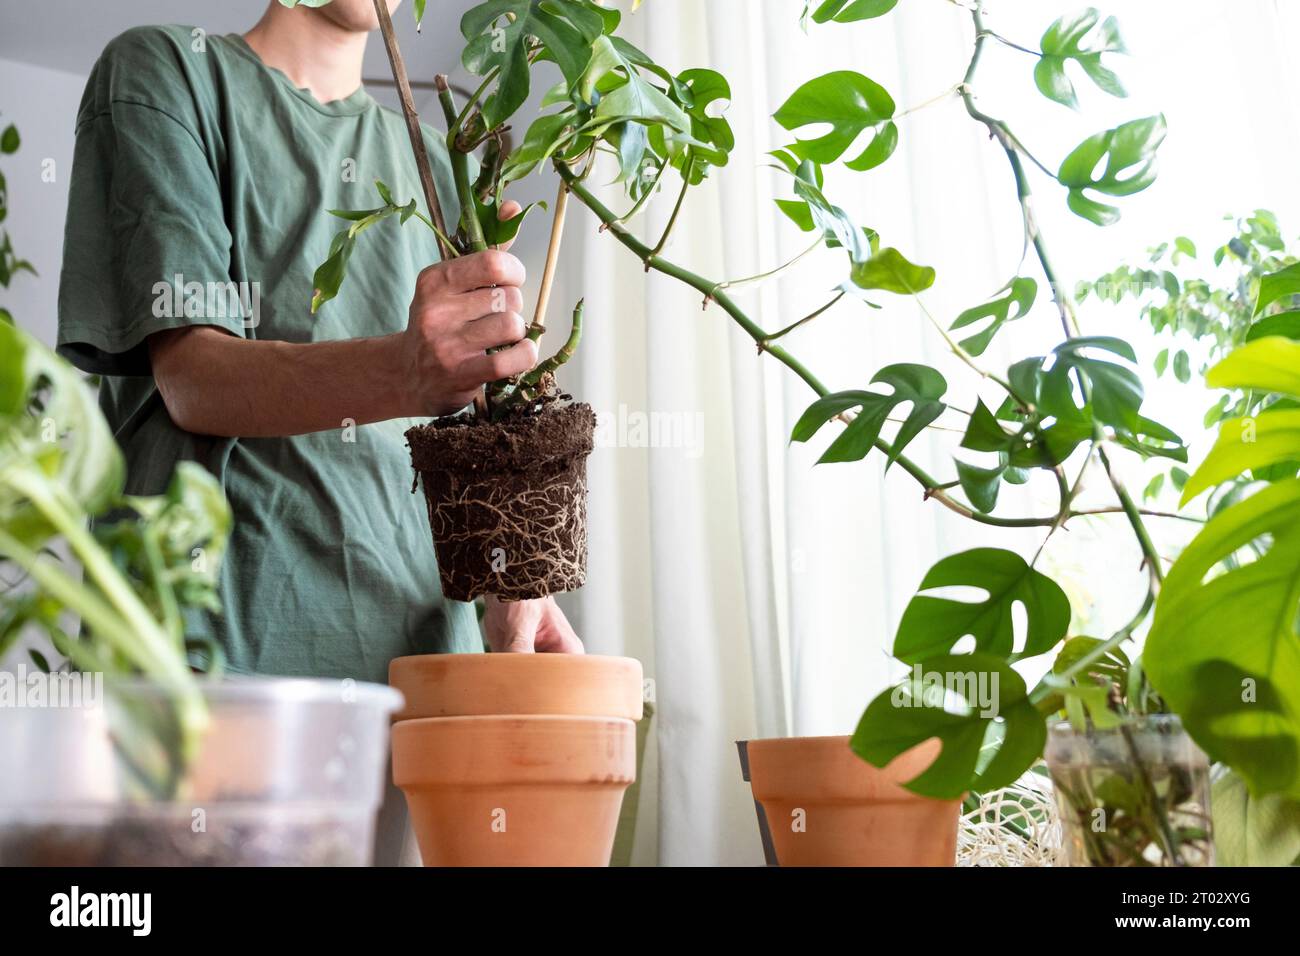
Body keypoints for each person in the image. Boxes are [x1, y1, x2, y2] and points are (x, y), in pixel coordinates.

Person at [56, 0, 584, 688]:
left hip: (427, 665)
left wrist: (519, 579)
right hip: (215, 658)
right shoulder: (169, 70)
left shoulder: (436, 163)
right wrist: (406, 367)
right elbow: (194, 379)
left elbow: (473, 436)